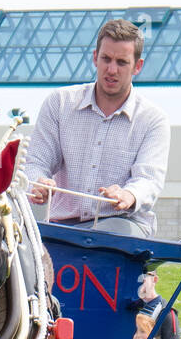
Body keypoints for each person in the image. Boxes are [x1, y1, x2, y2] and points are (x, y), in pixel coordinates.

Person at [24, 18, 170, 238]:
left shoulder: (153, 120)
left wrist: (129, 194)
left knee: (108, 233)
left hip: (123, 225)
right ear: (95, 57)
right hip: (62, 227)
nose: (112, 69)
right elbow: (36, 162)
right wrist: (39, 182)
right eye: (106, 59)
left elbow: (149, 180)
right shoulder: (59, 103)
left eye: (122, 62)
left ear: (137, 66)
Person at [137, 271, 181, 339]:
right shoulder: (129, 309)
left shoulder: (166, 312)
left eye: (144, 277)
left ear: (155, 279)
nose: (139, 281)